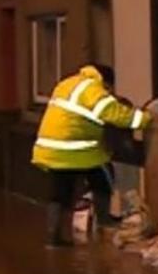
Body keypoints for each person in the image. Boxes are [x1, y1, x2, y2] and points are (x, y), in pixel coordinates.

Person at [32, 63, 151, 246]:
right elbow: (114, 114)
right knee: (104, 177)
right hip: (75, 147)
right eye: (110, 89)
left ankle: (53, 237)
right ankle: (104, 221)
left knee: (60, 192)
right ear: (107, 82)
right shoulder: (93, 89)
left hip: (51, 148)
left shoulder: (68, 83)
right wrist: (146, 119)